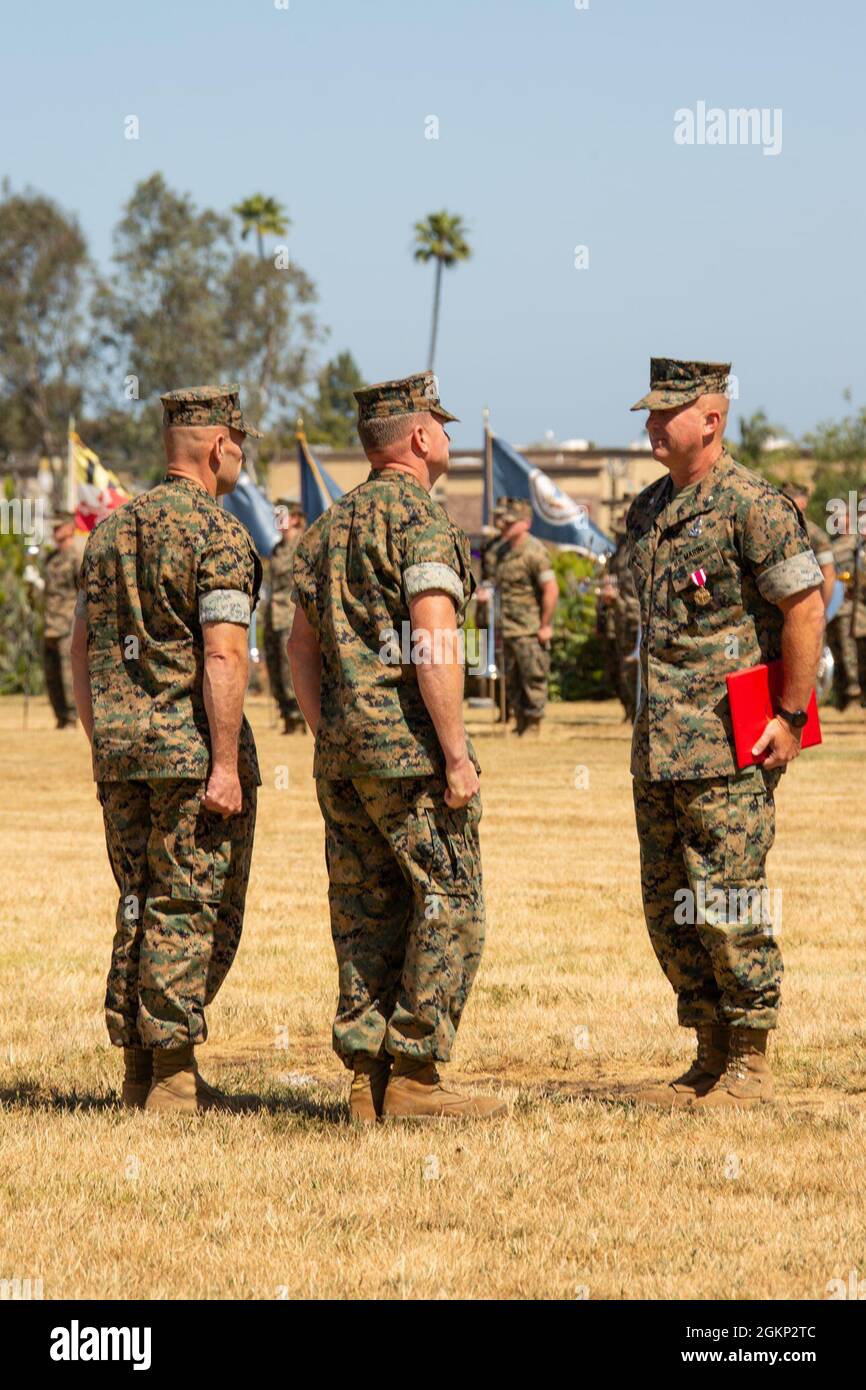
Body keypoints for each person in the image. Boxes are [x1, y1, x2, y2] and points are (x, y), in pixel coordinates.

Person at [289, 371, 506, 1123]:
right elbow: (435, 641)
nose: (445, 436)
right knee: (450, 899)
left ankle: (365, 1081)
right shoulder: (420, 521)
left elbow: (299, 649)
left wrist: (329, 730)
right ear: (419, 436)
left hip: (344, 757)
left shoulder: (326, 528)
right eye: (440, 425)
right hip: (410, 756)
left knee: (364, 907)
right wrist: (456, 756)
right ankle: (414, 1076)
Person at [626, 358, 825, 1109]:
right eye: (649, 412)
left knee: (729, 900)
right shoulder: (647, 509)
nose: (651, 424)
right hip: (659, 748)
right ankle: (708, 1053)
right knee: (669, 904)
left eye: (665, 413)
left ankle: (749, 1060)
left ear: (711, 420)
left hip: (729, 745)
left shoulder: (754, 507)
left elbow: (805, 608)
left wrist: (791, 717)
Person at [71, 384, 263, 1114]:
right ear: (219, 446)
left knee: (138, 901)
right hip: (190, 758)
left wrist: (105, 740)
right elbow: (223, 654)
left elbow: (81, 650)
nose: (240, 458)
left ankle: (140, 1072)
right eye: (239, 445)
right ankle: (174, 1079)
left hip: (123, 756)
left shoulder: (109, 533)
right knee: (187, 903)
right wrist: (224, 764)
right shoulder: (219, 536)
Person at [476, 498, 559, 735]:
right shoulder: (501, 551)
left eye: (511, 522)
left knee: (532, 676)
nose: (504, 525)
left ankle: (533, 722)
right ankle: (520, 720)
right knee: (511, 677)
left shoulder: (535, 552)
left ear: (526, 524)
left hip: (528, 627)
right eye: (504, 522)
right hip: (505, 626)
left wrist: (545, 625)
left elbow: (551, 590)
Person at [264, 496, 307, 733]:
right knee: (275, 667)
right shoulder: (277, 549)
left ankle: (298, 716)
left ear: (296, 518)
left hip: (291, 615)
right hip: (273, 615)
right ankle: (286, 715)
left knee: (289, 667)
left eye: (283, 515)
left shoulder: (303, 545)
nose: (279, 520)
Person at [42, 511, 80, 728]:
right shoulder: (50, 559)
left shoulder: (76, 558)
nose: (55, 530)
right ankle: (60, 717)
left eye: (59, 527)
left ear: (70, 528)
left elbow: (83, 592)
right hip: (50, 624)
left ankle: (72, 718)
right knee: (52, 675)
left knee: (68, 675)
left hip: (67, 624)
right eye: (54, 527)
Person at [826, 510, 866, 711]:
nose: (837, 520)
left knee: (852, 652)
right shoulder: (830, 545)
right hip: (833, 608)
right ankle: (842, 696)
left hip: (854, 607)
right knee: (838, 652)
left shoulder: (856, 542)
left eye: (841, 516)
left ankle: (855, 694)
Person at [606, 505, 640, 722]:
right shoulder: (618, 551)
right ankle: (631, 709)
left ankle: (639, 710)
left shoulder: (641, 545)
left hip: (639, 617)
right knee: (624, 666)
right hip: (621, 616)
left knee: (639, 666)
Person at [780, 483, 836, 610]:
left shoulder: (816, 536)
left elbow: (828, 574)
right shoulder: (766, 528)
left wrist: (822, 611)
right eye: (794, 509)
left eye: (803, 510)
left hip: (804, 605)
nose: (800, 515)